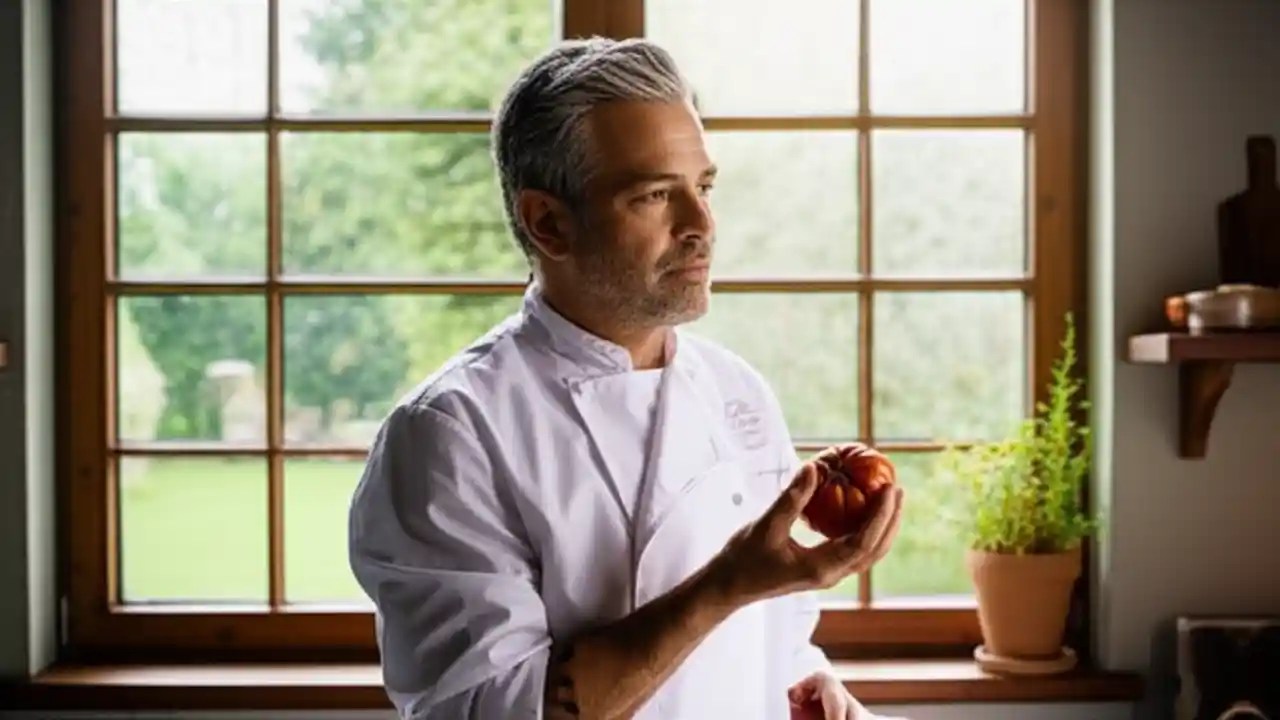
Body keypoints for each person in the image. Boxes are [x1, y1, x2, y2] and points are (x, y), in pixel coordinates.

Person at [348, 37, 905, 720]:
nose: (701, 225)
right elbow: (493, 709)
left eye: (703, 187)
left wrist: (806, 683)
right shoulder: (451, 434)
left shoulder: (739, 393)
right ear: (548, 223)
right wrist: (725, 585)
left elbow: (774, 642)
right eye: (653, 196)